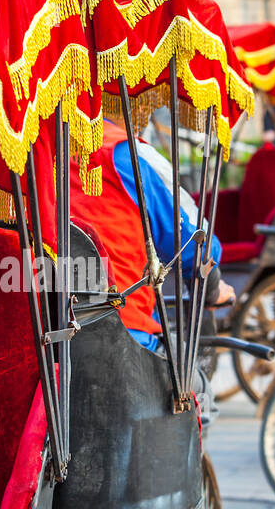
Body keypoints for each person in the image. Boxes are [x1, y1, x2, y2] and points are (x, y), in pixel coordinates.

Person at [72, 118, 235, 352]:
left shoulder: (24, 148)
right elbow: (190, 241)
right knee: (198, 385)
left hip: (39, 330)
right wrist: (213, 285)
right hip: (122, 334)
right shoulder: (124, 152)